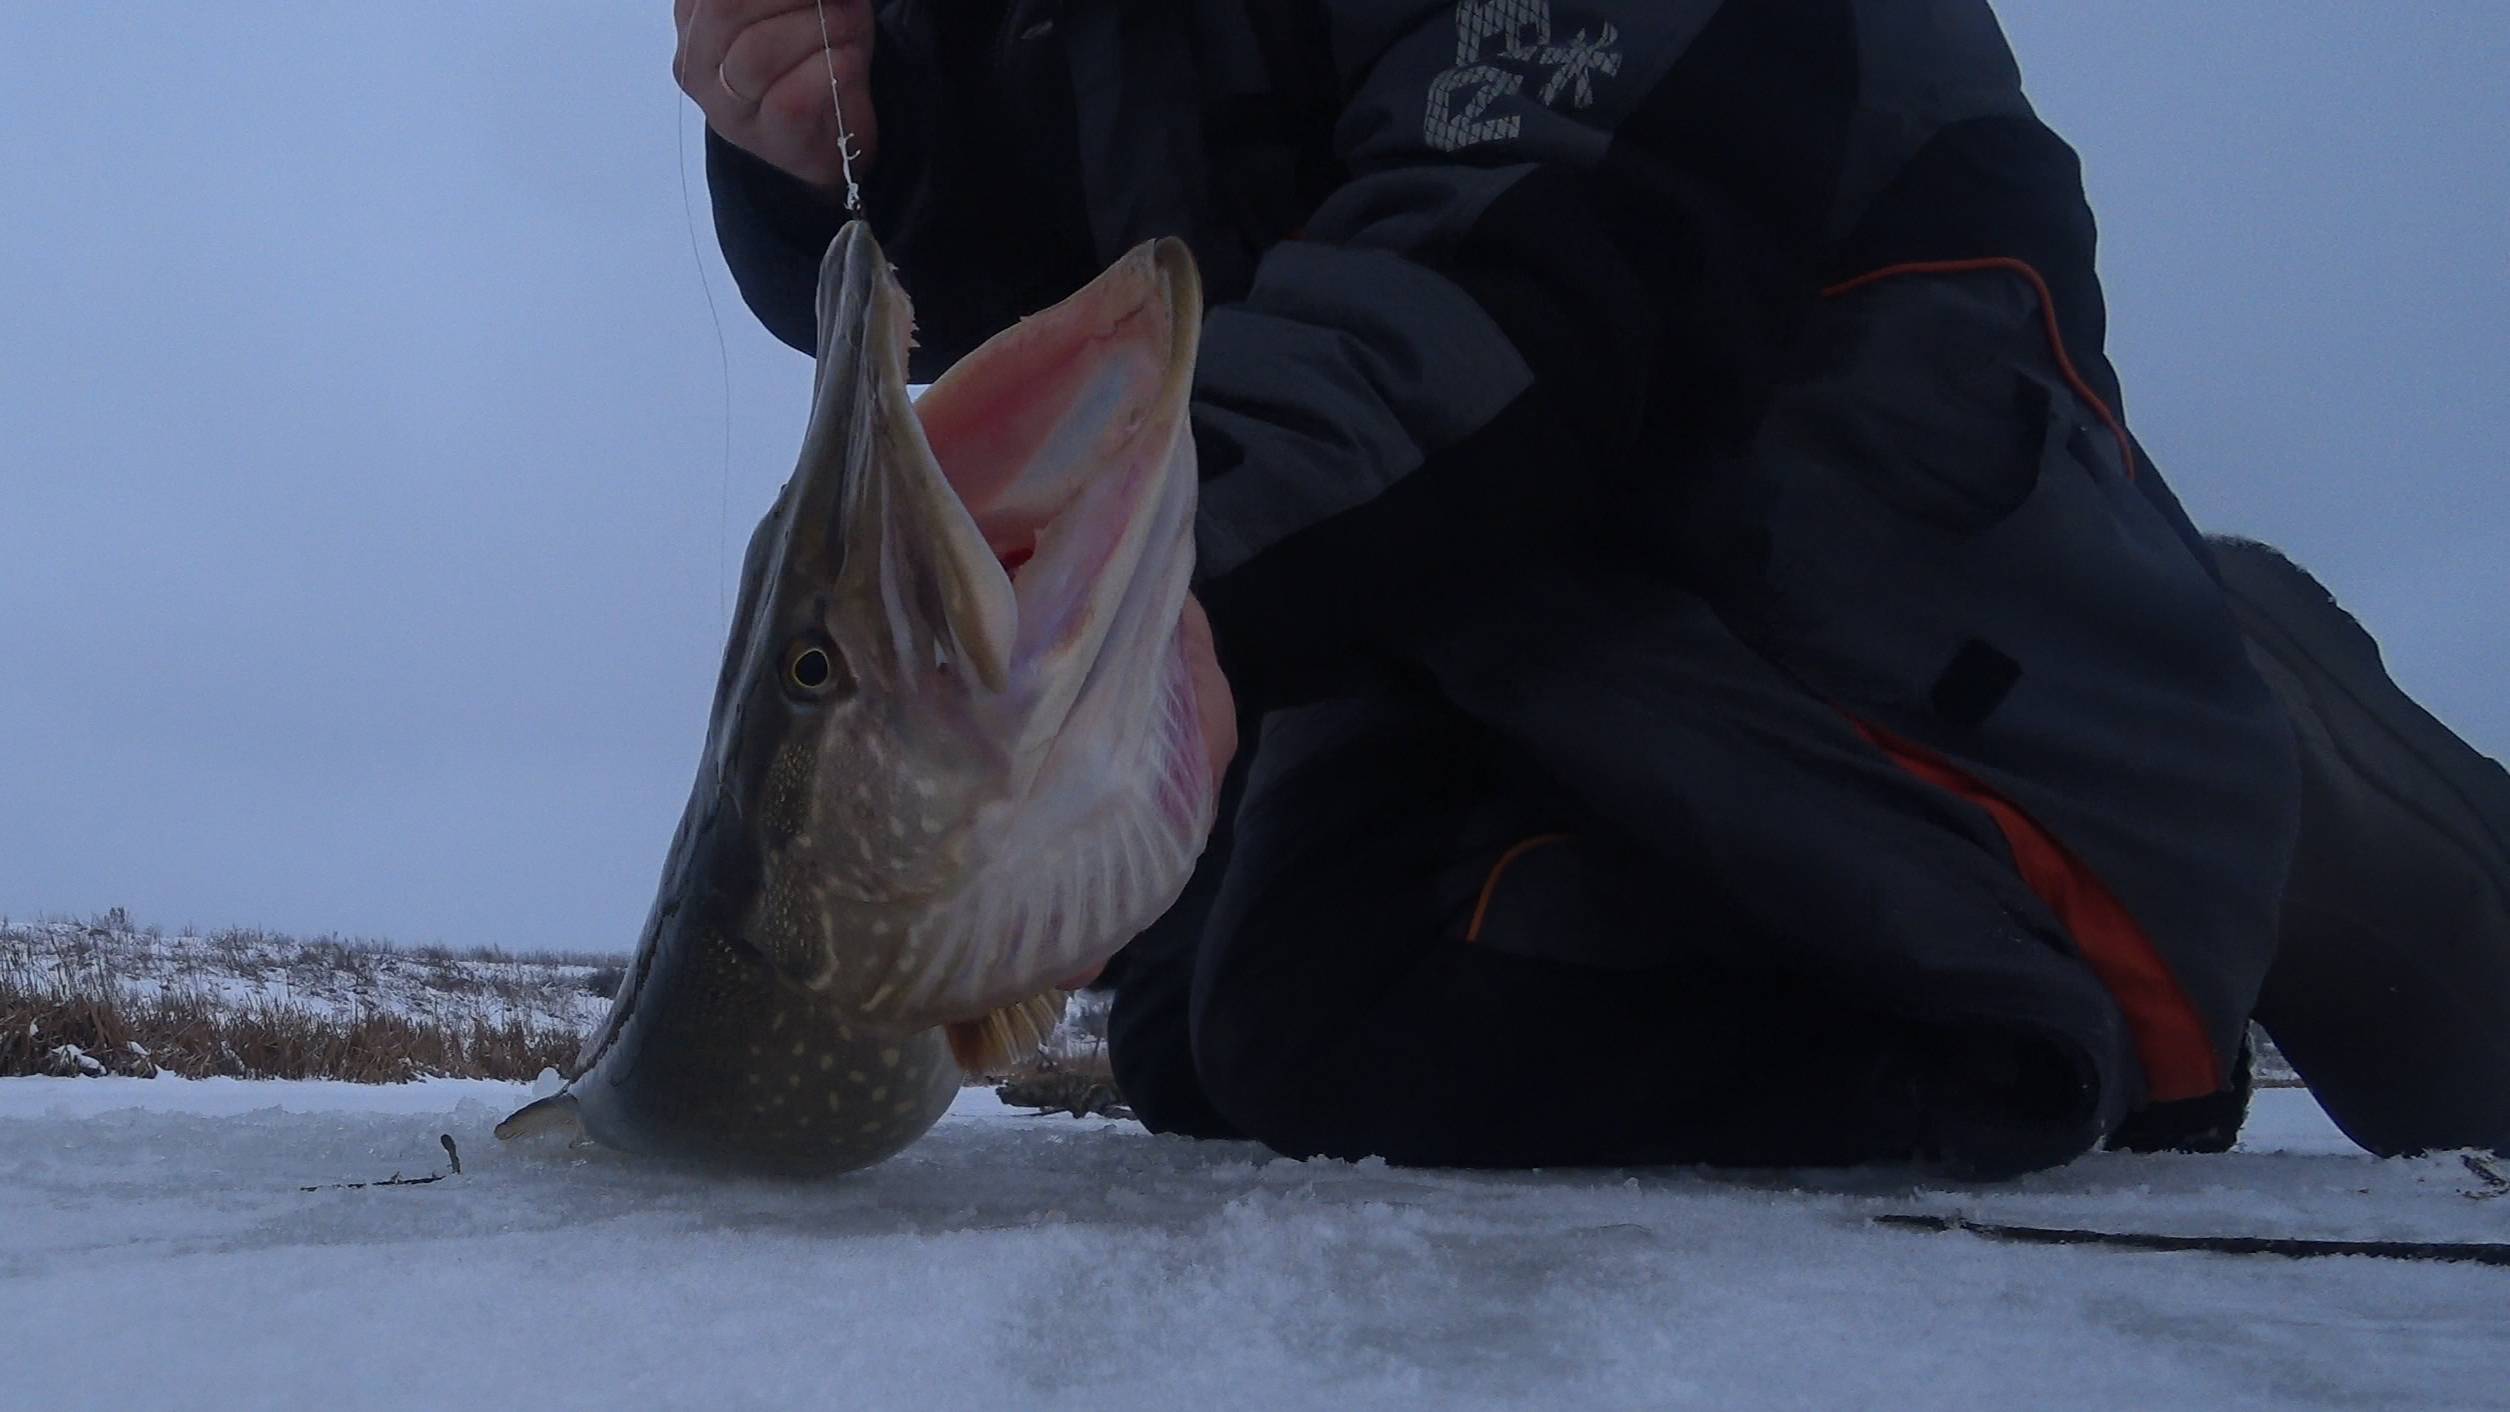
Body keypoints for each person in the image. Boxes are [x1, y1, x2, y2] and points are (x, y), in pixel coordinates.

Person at [673, 0, 2510, 1176]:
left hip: (1808, 534)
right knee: (1223, 1027)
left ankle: (2167, 783)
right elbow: (1063, 242)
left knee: (1358, 1001)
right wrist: (837, 129)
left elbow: (1522, 256)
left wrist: (1169, 564)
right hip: (1490, 594)